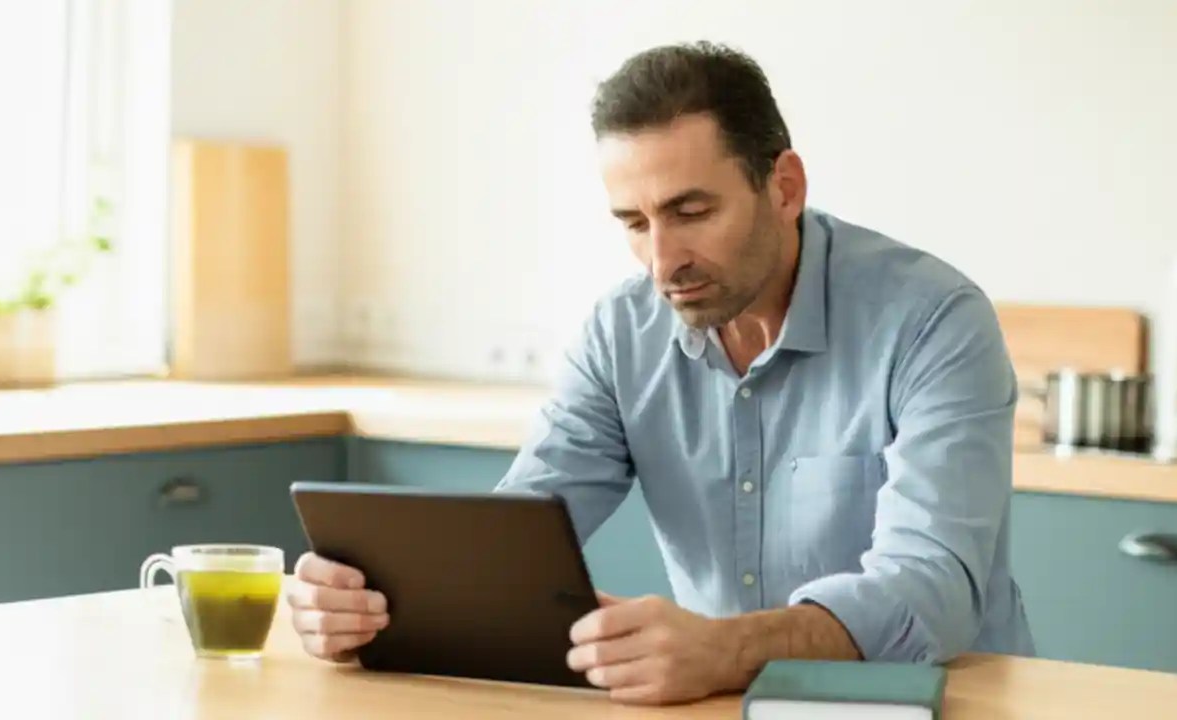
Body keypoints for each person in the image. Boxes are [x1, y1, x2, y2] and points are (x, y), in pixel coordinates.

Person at [286, 41, 1035, 705]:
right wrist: (381, 607)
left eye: (691, 211)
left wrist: (728, 648)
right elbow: (511, 543)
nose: (662, 260)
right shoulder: (622, 334)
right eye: (635, 223)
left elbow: (930, 591)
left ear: (784, 187)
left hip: (926, 706)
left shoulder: (934, 319)